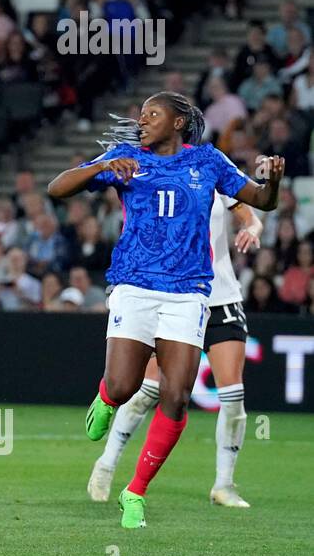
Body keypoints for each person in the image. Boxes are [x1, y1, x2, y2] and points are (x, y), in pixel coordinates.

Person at [47, 92, 283, 529]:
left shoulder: (208, 162)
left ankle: (135, 491)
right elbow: (56, 188)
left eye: (153, 115)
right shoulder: (125, 157)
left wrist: (272, 181)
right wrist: (101, 167)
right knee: (124, 386)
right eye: (140, 115)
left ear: (179, 123)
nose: (143, 122)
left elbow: (262, 202)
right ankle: (105, 398)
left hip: (190, 293)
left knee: (175, 395)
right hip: (134, 286)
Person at [89, 194, 263, 508]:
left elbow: (251, 212)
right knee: (146, 391)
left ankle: (224, 484)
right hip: (173, 300)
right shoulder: (161, 176)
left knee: (233, 395)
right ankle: (107, 463)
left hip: (220, 298)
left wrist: (254, 225)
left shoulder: (215, 170)